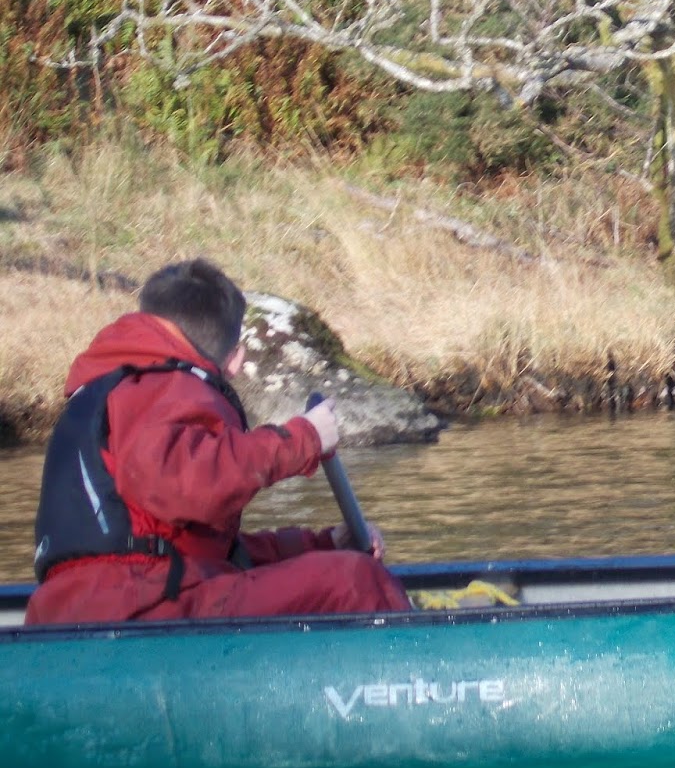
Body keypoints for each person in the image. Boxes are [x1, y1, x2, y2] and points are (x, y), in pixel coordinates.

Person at [25, 258, 410, 625]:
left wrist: (322, 544)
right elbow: (191, 484)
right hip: (144, 612)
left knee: (334, 565)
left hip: (94, 610)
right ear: (235, 359)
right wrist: (304, 438)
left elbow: (201, 552)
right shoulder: (165, 386)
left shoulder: (114, 390)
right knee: (354, 580)